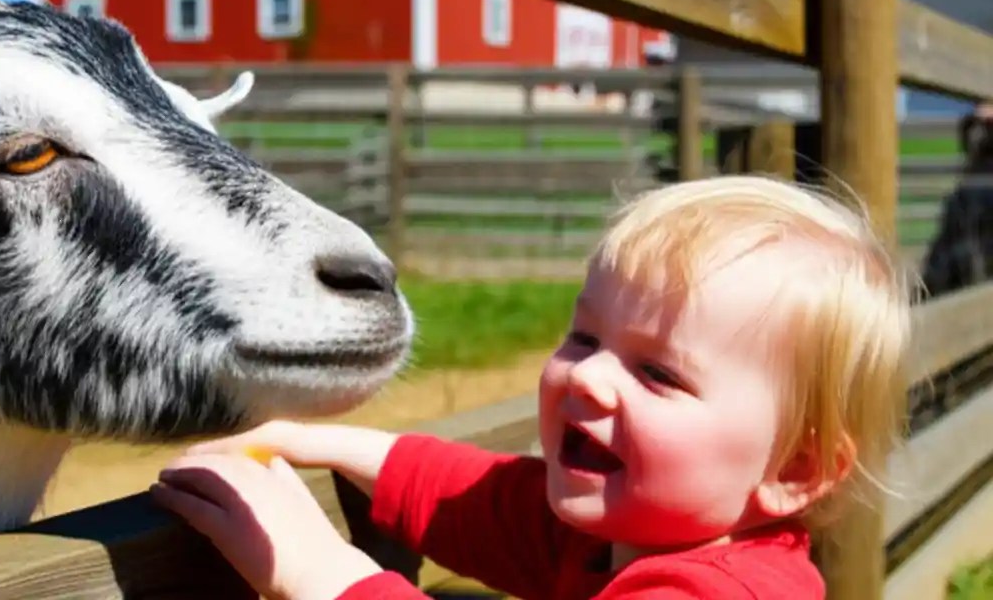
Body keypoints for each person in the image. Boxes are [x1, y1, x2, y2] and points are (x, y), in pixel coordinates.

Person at [150, 174, 912, 600]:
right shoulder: (628, 532)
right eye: (584, 338)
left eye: (658, 372)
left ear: (794, 471)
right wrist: (325, 442)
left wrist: (323, 575)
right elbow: (486, 503)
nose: (589, 375)